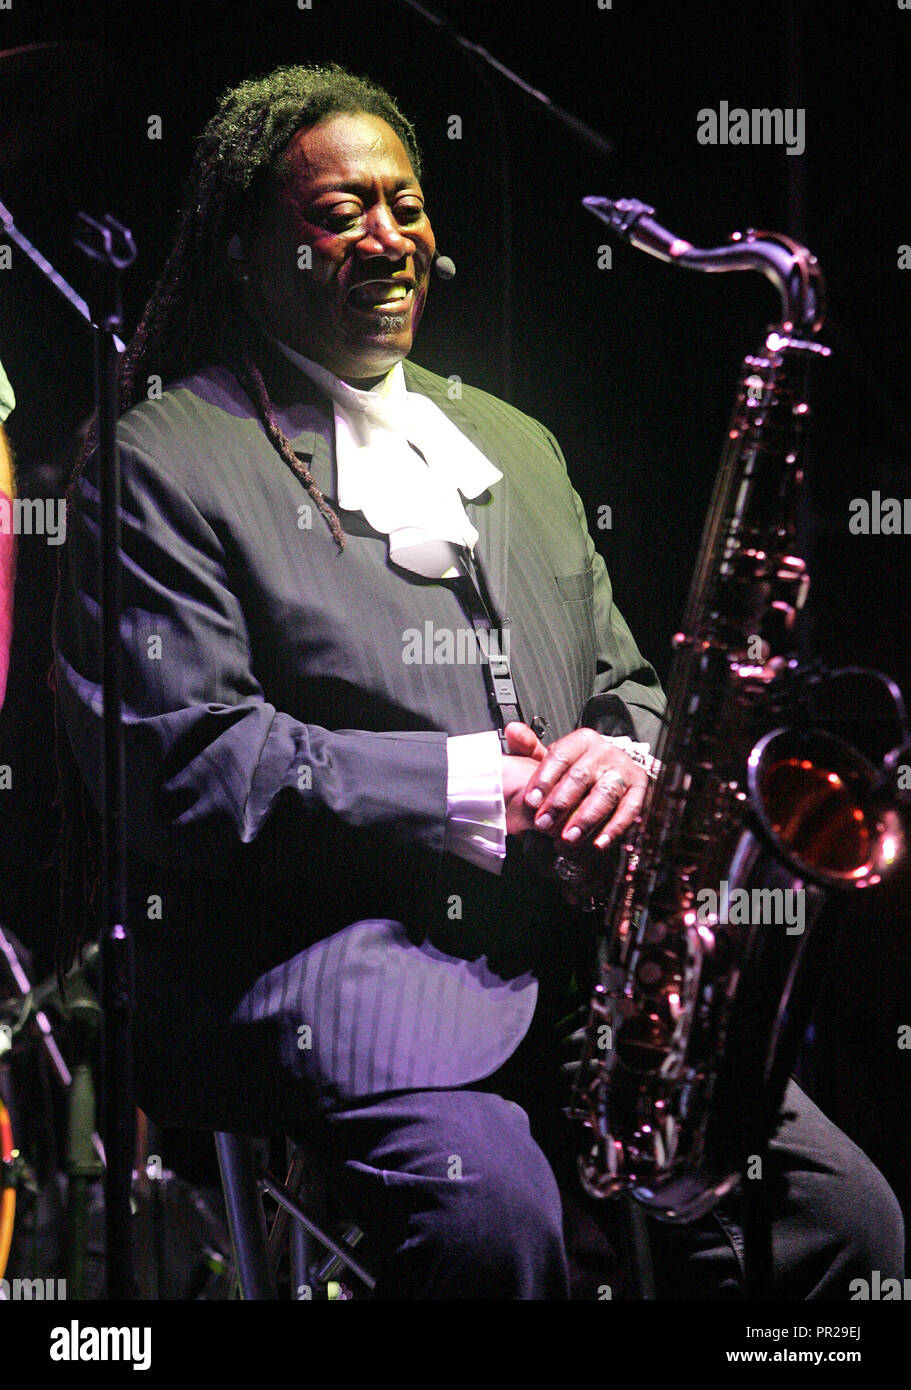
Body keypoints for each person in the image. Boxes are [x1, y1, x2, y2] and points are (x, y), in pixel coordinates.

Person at [54, 64, 903, 1299]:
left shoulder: (514, 443)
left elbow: (627, 681)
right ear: (243, 251)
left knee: (852, 1227)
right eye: (338, 214)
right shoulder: (160, 460)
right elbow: (179, 766)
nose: (386, 238)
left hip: (582, 979)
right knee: (489, 1225)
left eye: (404, 203)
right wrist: (467, 788)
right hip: (335, 979)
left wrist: (627, 756)